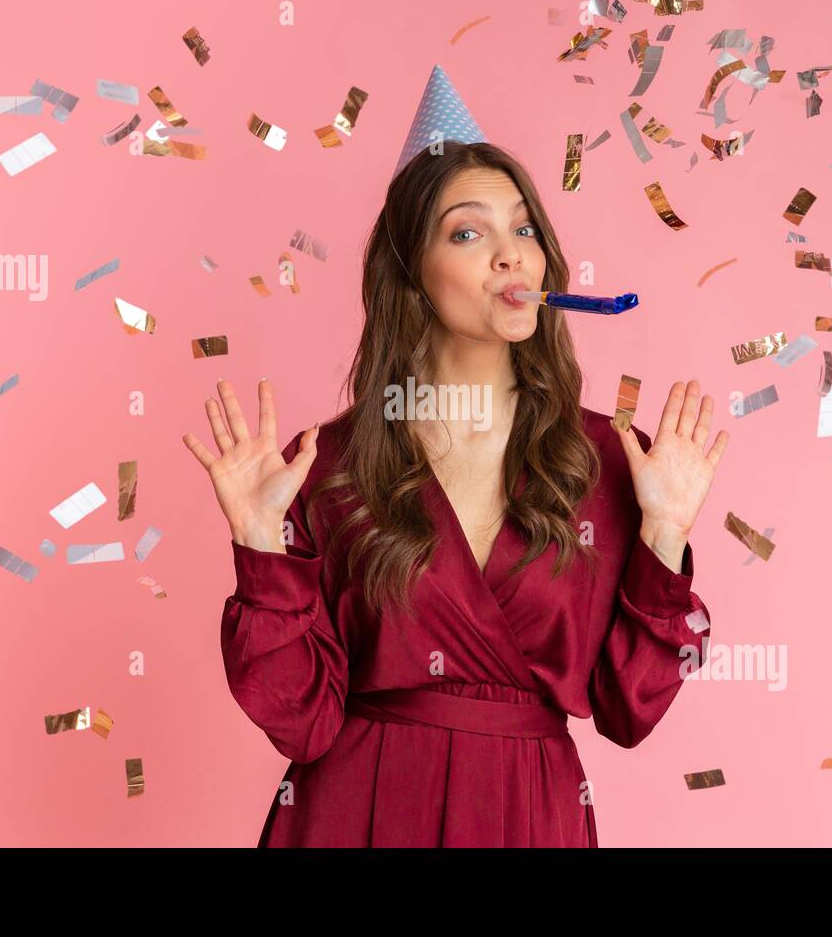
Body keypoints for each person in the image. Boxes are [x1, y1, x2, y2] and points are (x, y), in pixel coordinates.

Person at [182, 66, 729, 847]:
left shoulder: (608, 461)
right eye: (469, 232)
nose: (511, 255)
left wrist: (664, 532)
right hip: (356, 813)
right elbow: (300, 720)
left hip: (529, 817)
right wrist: (261, 544)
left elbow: (627, 710)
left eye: (525, 228)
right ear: (411, 274)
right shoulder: (328, 466)